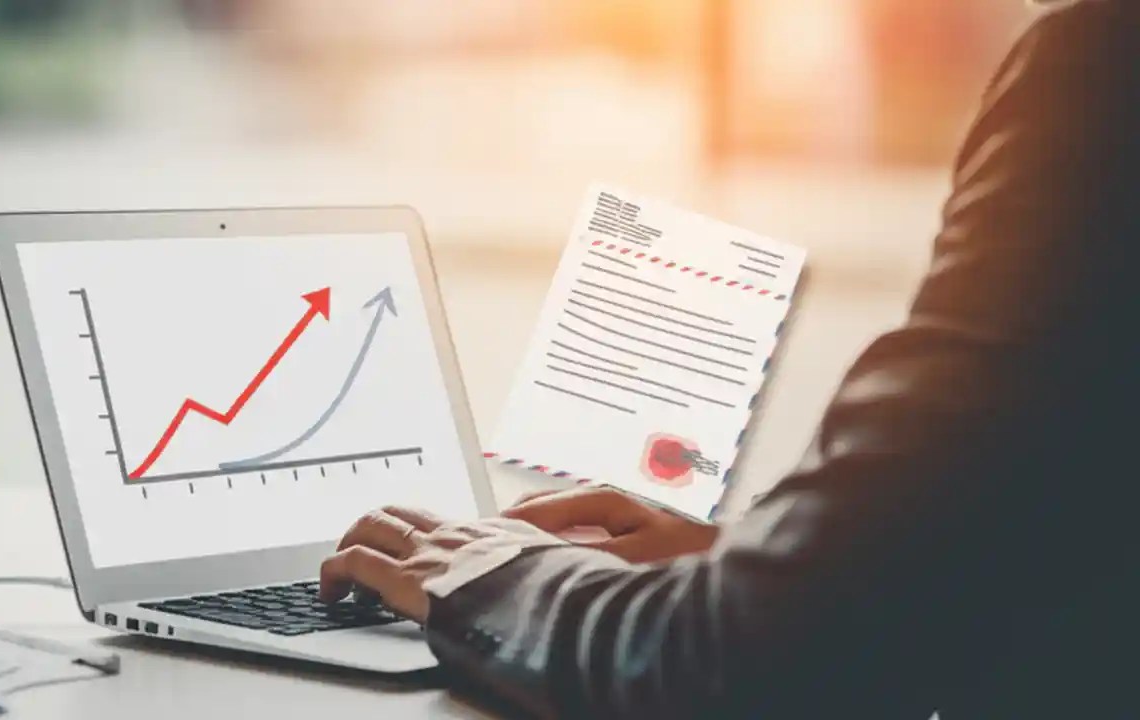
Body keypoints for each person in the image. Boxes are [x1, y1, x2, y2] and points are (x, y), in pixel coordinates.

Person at [319, 1, 1138, 717]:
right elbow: (1065, 526)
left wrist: (492, 579)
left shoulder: (1106, 65)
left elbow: (747, 668)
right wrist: (762, 553)